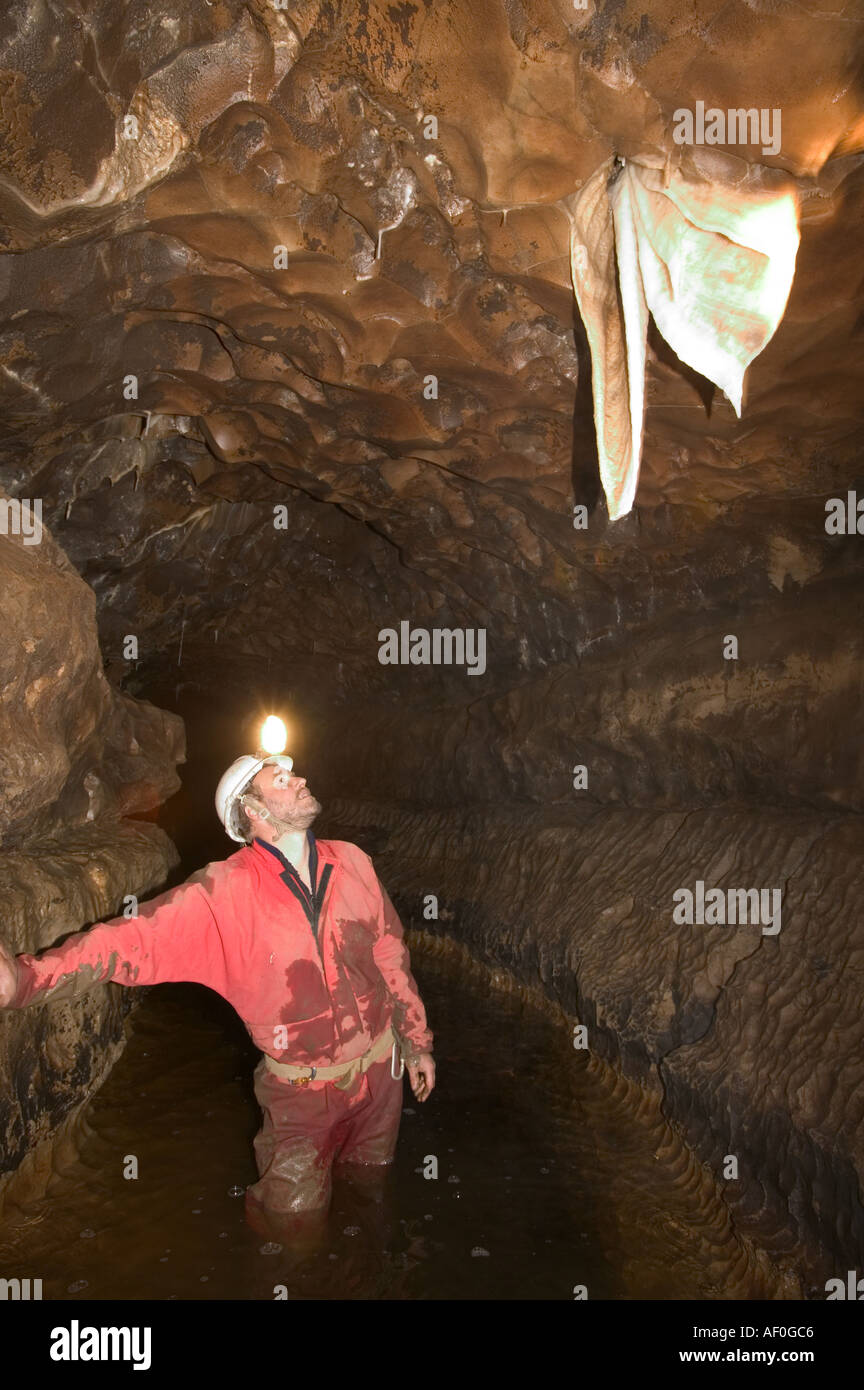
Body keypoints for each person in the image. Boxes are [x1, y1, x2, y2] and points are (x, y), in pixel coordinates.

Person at [0, 746, 435, 1238]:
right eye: (279, 779)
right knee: (292, 1230)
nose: (298, 779)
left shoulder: (352, 862)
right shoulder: (222, 895)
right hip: (302, 1097)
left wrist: (416, 1043)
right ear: (253, 810)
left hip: (383, 1074)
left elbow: (389, 954)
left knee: (370, 1190)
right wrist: (26, 980)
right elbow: (128, 940)